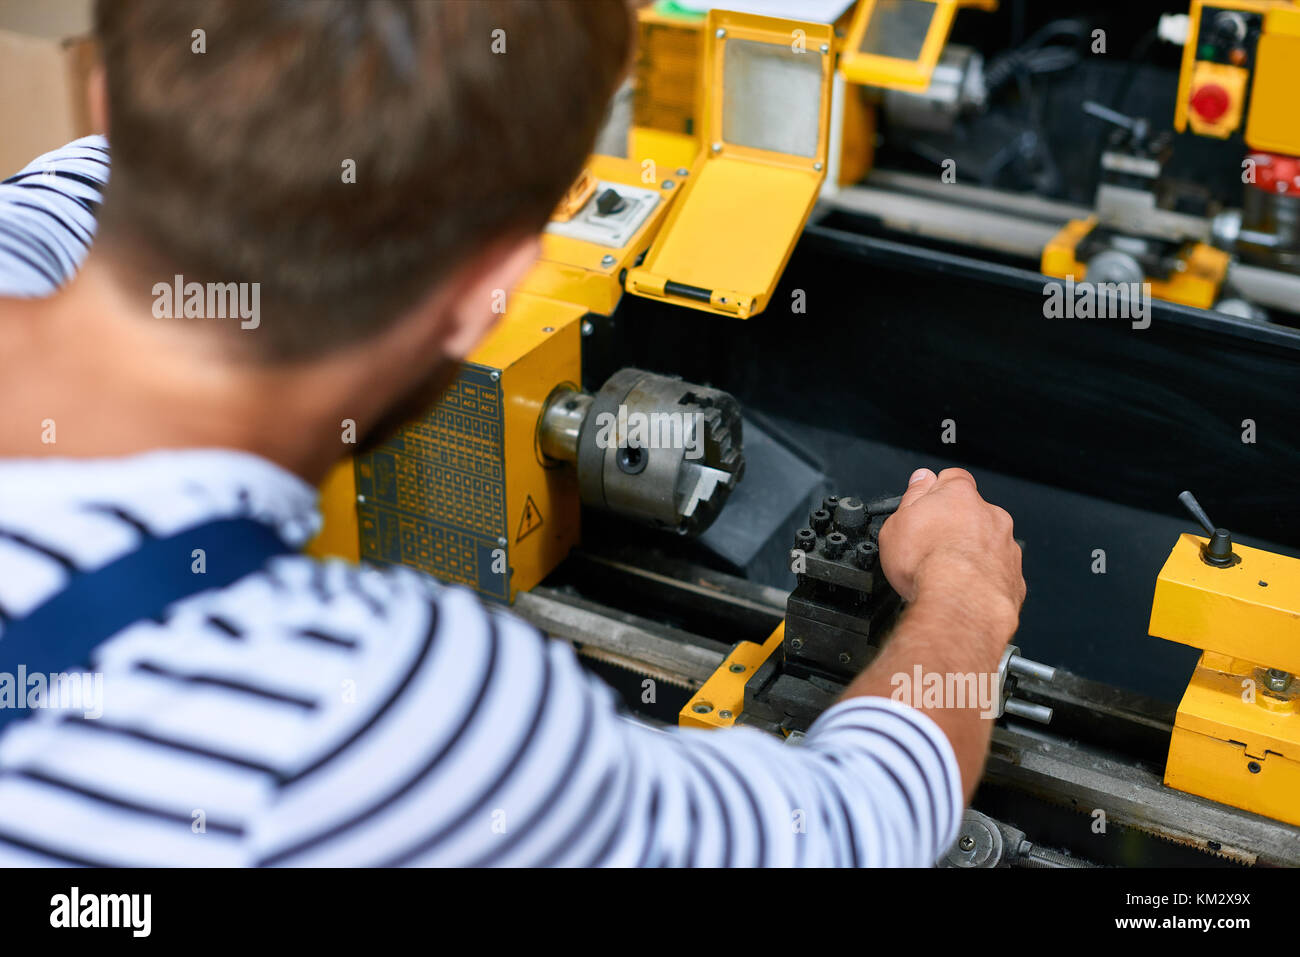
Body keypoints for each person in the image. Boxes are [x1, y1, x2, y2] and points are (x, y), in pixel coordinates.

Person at [0, 0, 1024, 867]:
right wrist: (965, 601)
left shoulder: (32, 229)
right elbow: (847, 829)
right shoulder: (355, 722)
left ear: (102, 101)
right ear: (492, 296)